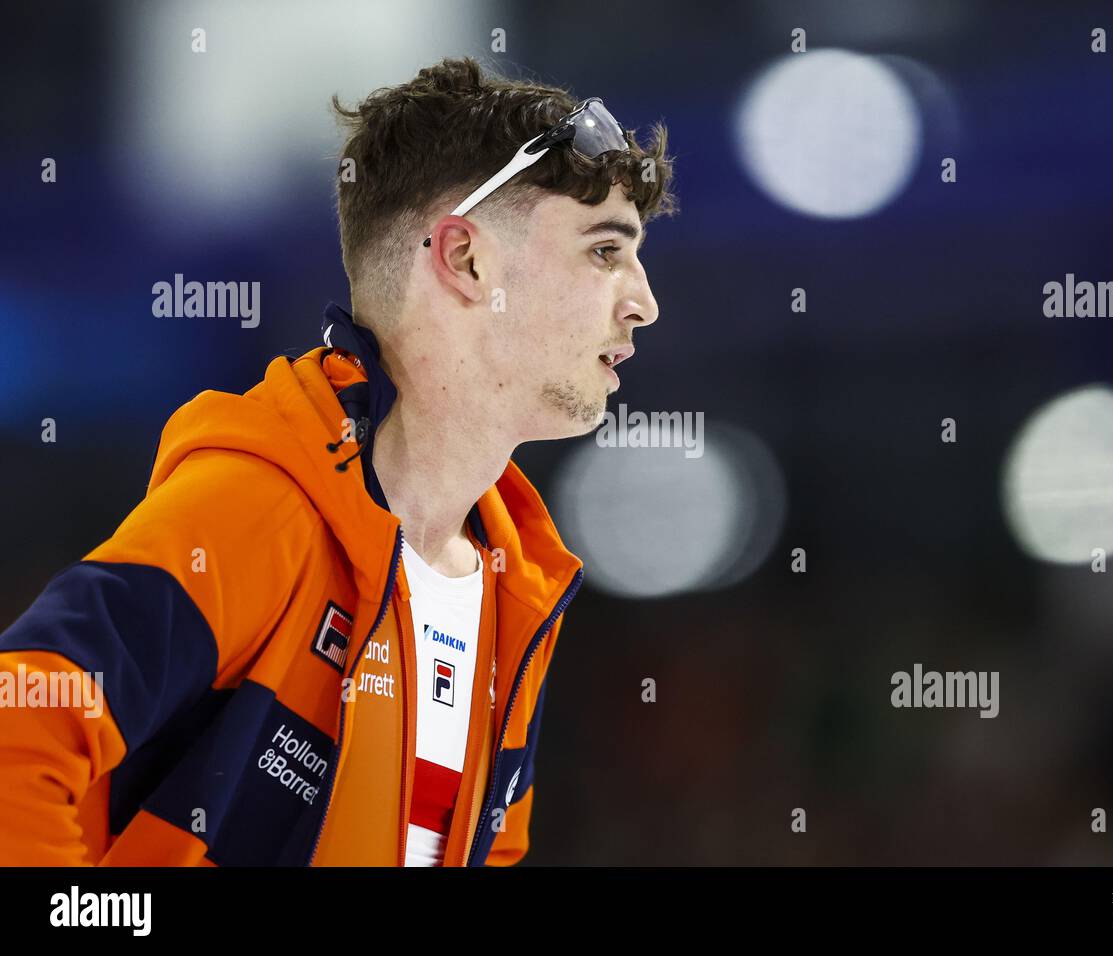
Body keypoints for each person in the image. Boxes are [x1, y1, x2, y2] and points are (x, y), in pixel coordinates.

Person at [0, 55, 675, 866]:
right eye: (605, 251)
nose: (643, 301)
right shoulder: (261, 506)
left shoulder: (518, 584)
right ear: (465, 260)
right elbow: (19, 715)